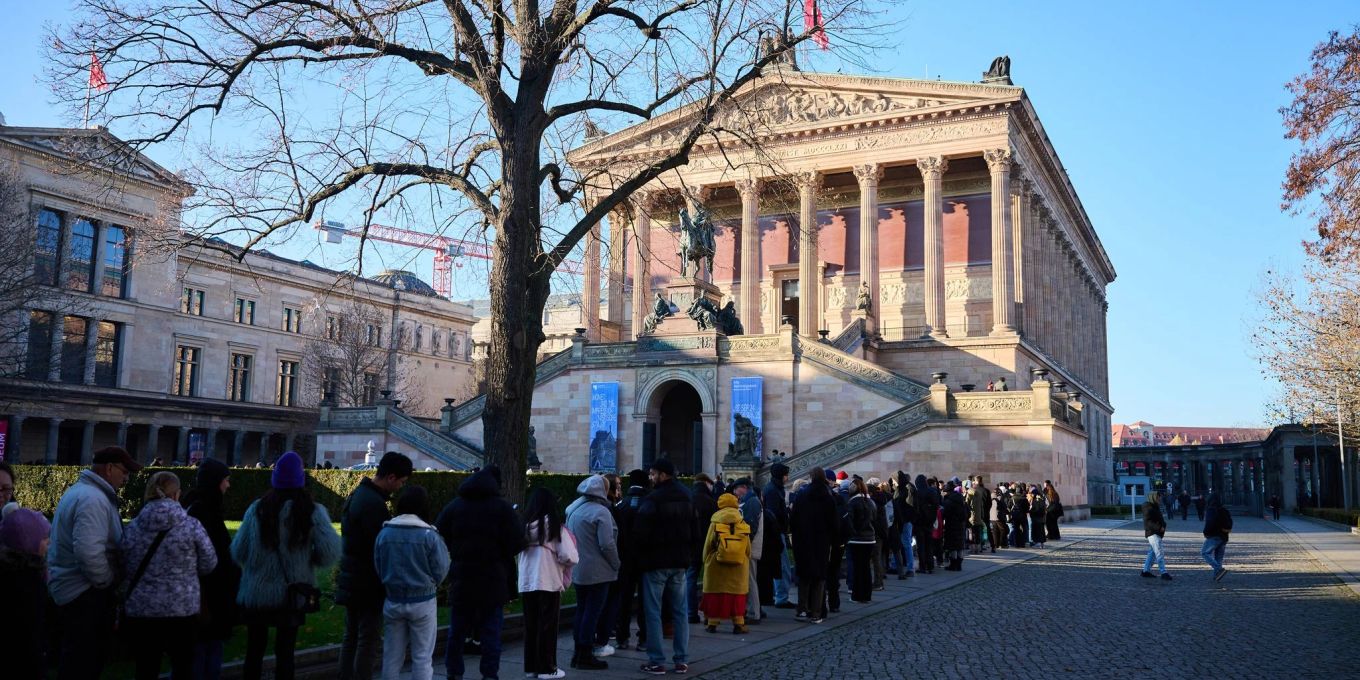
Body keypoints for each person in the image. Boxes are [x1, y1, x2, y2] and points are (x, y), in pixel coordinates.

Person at [232, 451, 343, 680]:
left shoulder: (257, 509)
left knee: (254, 650)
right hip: (292, 591)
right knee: (286, 652)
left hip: (257, 590)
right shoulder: (312, 511)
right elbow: (330, 553)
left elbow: (238, 551)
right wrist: (306, 561)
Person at [49, 446, 142, 680]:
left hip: (75, 589)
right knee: (83, 662)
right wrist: (106, 581)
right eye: (124, 471)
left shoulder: (85, 493)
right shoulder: (93, 499)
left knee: (77, 659)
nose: (126, 477)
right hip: (84, 593)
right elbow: (89, 553)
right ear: (109, 469)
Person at [121, 471, 218, 680]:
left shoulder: (134, 527)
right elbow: (210, 562)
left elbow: (124, 563)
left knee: (146, 667)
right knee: (183, 667)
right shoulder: (191, 526)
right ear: (176, 495)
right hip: (181, 608)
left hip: (143, 608)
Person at [435, 465, 527, 680]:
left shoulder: (455, 506)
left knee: (457, 631)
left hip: (462, 574)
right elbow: (516, 542)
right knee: (491, 632)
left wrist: (456, 549)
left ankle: (454, 672)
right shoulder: (502, 508)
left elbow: (439, 532)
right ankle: (489, 674)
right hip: (492, 576)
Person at [338, 452, 413, 680]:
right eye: (401, 481)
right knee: (367, 640)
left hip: (352, 576)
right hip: (367, 581)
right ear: (391, 477)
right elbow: (380, 548)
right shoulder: (374, 504)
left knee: (351, 636)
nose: (400, 487)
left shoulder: (359, 495)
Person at [375, 485, 450, 680]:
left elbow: (379, 565)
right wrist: (431, 583)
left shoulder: (385, 533)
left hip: (393, 598)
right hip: (423, 600)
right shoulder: (429, 535)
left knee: (391, 657)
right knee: (422, 658)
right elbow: (441, 568)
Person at [633, 458, 693, 675]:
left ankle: (657, 660)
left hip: (656, 562)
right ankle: (682, 659)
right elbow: (696, 529)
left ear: (663, 475)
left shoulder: (653, 499)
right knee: (680, 612)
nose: (650, 477)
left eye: (653, 473)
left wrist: (640, 558)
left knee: (653, 611)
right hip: (680, 562)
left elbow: (640, 533)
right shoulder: (688, 495)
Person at [182, 459, 241, 680]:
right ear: (216, 482)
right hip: (207, 595)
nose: (228, 485)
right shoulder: (205, 510)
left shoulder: (197, 506)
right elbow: (214, 557)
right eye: (226, 480)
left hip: (204, 593)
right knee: (205, 652)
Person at [517, 487, 576, 680]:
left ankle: (531, 667)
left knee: (531, 625)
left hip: (527, 582)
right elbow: (569, 555)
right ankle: (547, 667)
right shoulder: (554, 527)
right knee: (548, 627)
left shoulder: (523, 527)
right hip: (548, 580)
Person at [566, 474, 621, 669]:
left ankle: (578, 652)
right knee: (592, 612)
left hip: (579, 567)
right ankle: (586, 653)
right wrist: (616, 563)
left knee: (582, 609)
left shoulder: (574, 508)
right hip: (598, 570)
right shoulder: (601, 512)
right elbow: (607, 543)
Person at [0, 507, 51, 678]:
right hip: (24, 662)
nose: (48, 543)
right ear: (29, 543)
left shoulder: (14, 571)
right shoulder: (29, 580)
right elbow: (31, 632)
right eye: (44, 538)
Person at [789, 467, 837, 621]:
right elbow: (834, 523)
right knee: (819, 577)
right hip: (821, 542)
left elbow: (793, 520)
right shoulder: (828, 496)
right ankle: (816, 613)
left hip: (803, 540)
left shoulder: (802, 495)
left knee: (804, 576)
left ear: (810, 477)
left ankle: (802, 609)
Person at [700, 492, 751, 633]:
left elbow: (708, 545)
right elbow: (748, 549)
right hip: (738, 566)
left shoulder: (715, 522)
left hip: (716, 565)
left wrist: (705, 560)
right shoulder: (742, 522)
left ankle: (712, 623)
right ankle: (739, 623)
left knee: (715, 595)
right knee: (736, 596)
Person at [613, 469, 650, 650]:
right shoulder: (649, 503)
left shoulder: (622, 505)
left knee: (624, 598)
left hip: (625, 559)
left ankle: (622, 636)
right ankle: (643, 638)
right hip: (645, 559)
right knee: (646, 600)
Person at [729, 477, 764, 624]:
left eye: (736, 490)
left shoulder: (751, 502)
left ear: (743, 487)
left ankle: (753, 613)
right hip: (748, 546)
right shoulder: (752, 500)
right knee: (749, 580)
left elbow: (750, 527)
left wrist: (743, 545)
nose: (736, 494)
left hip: (748, 547)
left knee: (750, 580)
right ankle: (752, 611)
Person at [687, 473, 718, 624]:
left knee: (690, 578)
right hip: (708, 545)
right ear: (706, 483)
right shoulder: (711, 501)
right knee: (709, 580)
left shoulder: (689, 499)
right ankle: (709, 614)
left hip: (691, 545)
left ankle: (691, 613)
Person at [762, 463, 794, 610]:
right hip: (776, 533)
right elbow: (774, 514)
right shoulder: (773, 491)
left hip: (778, 532)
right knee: (783, 566)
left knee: (782, 565)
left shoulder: (775, 489)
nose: (788, 477)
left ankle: (780, 595)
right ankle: (781, 597)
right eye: (786, 474)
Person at [844, 478, 877, 603]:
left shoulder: (852, 503)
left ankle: (857, 595)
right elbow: (874, 520)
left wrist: (852, 534)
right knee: (866, 567)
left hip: (857, 540)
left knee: (858, 568)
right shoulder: (870, 502)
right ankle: (866, 595)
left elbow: (849, 522)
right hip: (870, 539)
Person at [1141, 490, 1172, 580]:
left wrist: (1163, 526)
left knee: (1152, 553)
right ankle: (1163, 572)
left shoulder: (1155, 506)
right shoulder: (1148, 507)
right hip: (1153, 533)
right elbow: (1148, 522)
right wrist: (1159, 527)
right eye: (1158, 496)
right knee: (1159, 552)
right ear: (1154, 497)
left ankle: (1145, 571)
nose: (1160, 498)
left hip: (1156, 533)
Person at [1201, 493, 1233, 581]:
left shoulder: (1211, 510)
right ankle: (1217, 576)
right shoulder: (1224, 510)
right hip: (1224, 537)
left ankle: (1219, 569)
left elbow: (1210, 523)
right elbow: (1230, 522)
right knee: (1218, 557)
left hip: (1214, 535)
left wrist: (1205, 532)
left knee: (1204, 553)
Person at [912, 474, 939, 573]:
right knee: (929, 544)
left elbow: (914, 508)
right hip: (929, 522)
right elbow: (936, 505)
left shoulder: (917, 493)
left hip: (919, 523)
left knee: (921, 545)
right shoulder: (932, 491)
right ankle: (930, 565)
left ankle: (922, 566)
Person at [941, 484, 969, 570]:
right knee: (960, 545)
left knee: (952, 546)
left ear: (947, 492)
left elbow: (944, 514)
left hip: (951, 525)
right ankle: (959, 565)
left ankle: (953, 565)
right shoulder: (960, 498)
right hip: (961, 524)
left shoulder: (949, 501)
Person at [1009, 483, 1029, 550]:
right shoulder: (1024, 498)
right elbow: (1027, 508)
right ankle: (1023, 543)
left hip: (1015, 515)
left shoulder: (1012, 498)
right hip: (1023, 516)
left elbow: (1008, 506)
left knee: (1016, 529)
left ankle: (1016, 543)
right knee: (1024, 529)